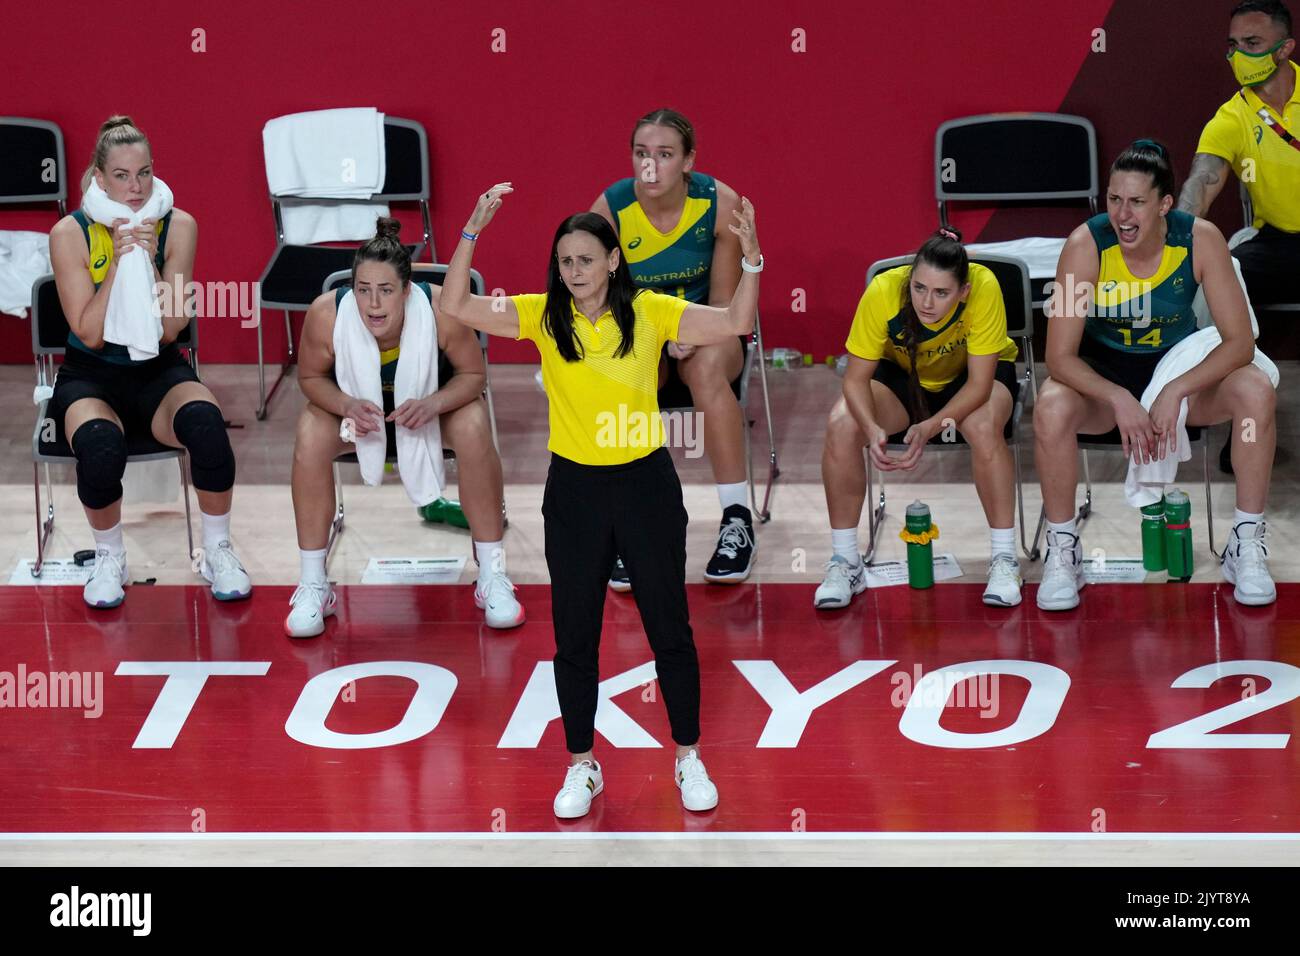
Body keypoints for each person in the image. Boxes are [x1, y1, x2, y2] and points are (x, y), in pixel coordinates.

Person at [440, 182, 761, 819]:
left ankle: (688, 757)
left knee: (670, 630)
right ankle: (582, 766)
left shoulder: (651, 311)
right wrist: (472, 229)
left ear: (614, 260)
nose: (575, 270)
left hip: (645, 487)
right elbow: (454, 304)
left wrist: (750, 259)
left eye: (586, 258)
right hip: (575, 496)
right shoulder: (540, 314)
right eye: (565, 261)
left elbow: (735, 323)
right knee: (575, 637)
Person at [1035, 140, 1277, 611]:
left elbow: (1240, 341)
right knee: (1050, 404)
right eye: (1113, 199)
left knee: (1256, 389)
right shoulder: (1085, 245)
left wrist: (1175, 388)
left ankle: (1245, 542)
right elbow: (1059, 357)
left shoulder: (1199, 239)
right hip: (1105, 385)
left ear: (1165, 204)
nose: (1122, 214)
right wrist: (1121, 399)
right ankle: (1063, 550)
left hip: (1179, 374)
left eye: (1137, 202)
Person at [48, 115, 250, 609]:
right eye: (121, 175)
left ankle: (218, 549)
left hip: (159, 370)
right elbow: (91, 334)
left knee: (205, 424)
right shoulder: (69, 234)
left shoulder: (178, 225)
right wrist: (118, 264)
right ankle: (109, 557)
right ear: (98, 177)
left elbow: (171, 328)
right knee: (99, 446)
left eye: (144, 173)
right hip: (90, 377)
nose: (136, 188)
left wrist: (150, 259)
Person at [286, 218, 521, 637]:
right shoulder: (326, 315)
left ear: (407, 290)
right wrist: (345, 404)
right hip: (360, 417)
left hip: (429, 411)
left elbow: (473, 375)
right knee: (309, 431)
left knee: (472, 424)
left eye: (386, 290)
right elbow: (308, 379)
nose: (373, 304)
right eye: (363, 290)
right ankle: (313, 584)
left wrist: (434, 404)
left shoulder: (441, 311)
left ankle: (491, 575)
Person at [591, 108, 755, 589]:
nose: (650, 167)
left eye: (664, 155)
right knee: (630, 376)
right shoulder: (610, 211)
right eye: (642, 154)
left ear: (688, 161)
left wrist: (693, 331)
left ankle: (736, 520)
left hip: (712, 330)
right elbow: (603, 304)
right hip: (642, 330)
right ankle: (631, 525)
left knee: (705, 373)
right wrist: (657, 335)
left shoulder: (719, 202)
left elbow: (726, 304)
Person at [815, 229, 1023, 609]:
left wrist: (932, 426)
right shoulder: (883, 291)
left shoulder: (985, 287)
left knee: (980, 424)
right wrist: (873, 427)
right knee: (843, 423)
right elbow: (856, 379)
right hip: (906, 379)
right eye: (919, 288)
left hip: (969, 378)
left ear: (963, 292)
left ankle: (1004, 559)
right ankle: (845, 562)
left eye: (941, 293)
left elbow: (979, 386)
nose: (926, 302)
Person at [1178, 0, 1298, 473]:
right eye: (1233, 46)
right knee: (1222, 272)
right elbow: (1200, 186)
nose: (1238, 56)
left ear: (1285, 49)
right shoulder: (1232, 116)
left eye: (1252, 44)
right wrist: (1173, 242)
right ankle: (1239, 418)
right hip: (1278, 241)